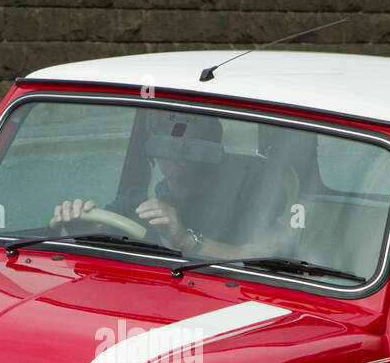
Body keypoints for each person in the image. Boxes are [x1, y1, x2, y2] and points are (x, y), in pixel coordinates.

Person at [52, 111, 284, 259]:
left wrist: (184, 240)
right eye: (164, 136)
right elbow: (99, 239)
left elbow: (260, 259)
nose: (177, 145)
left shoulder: (245, 195)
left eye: (190, 134)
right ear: (151, 145)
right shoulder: (135, 201)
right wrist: (75, 232)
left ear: (211, 142)